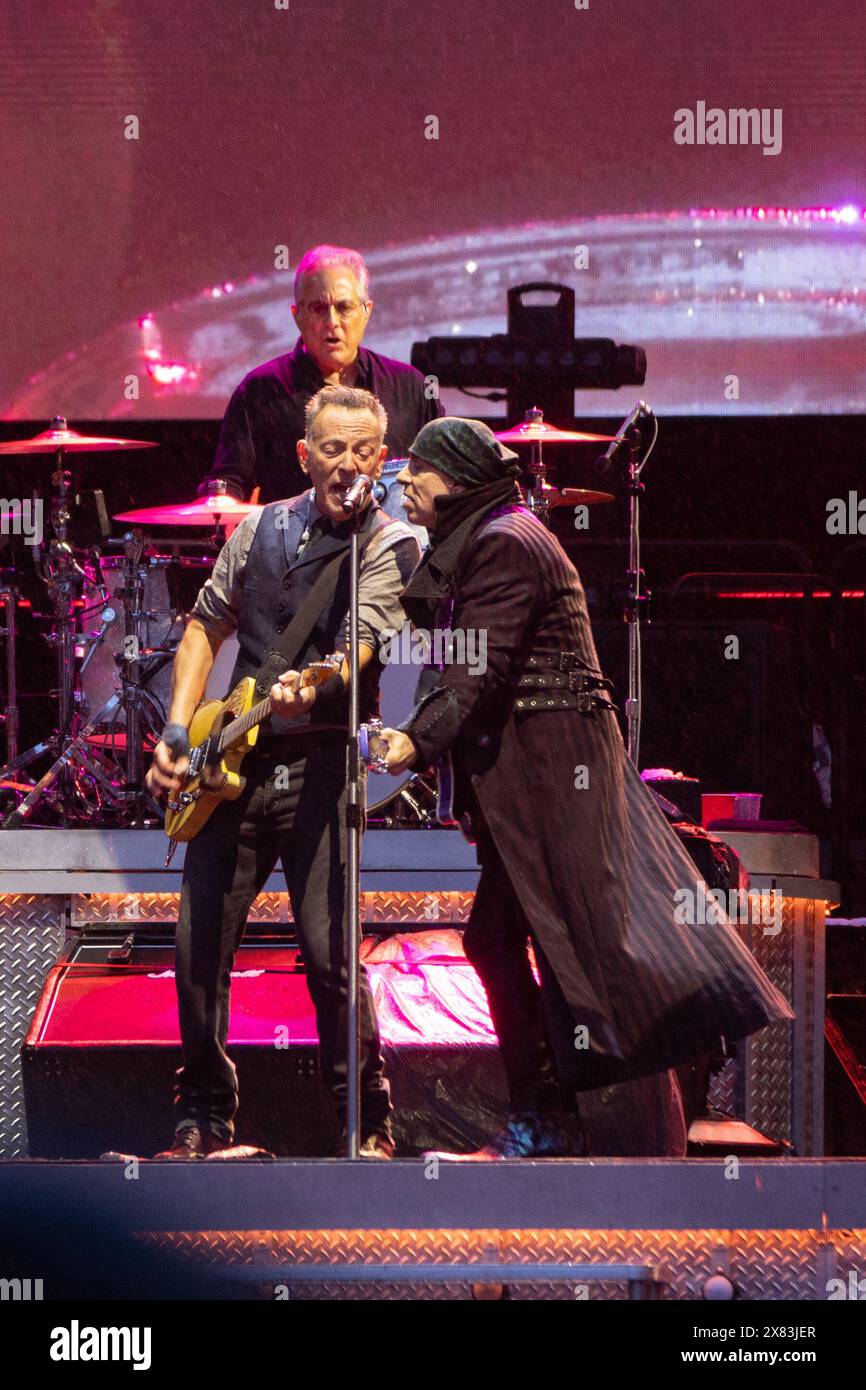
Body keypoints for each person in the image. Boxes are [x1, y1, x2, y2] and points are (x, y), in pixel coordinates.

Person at [376, 416, 793, 1160]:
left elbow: (480, 668)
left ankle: (555, 1116)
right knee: (521, 940)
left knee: (552, 943)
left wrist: (413, 741)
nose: (404, 481)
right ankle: (549, 1117)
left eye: (420, 469)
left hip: (553, 771)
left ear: (460, 476)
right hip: (539, 771)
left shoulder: (506, 541)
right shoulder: (489, 535)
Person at [146, 385, 421, 1159]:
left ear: (381, 458)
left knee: (332, 958)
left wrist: (324, 679)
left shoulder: (391, 543)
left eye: (363, 452)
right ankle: (201, 1117)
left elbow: (363, 642)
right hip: (230, 766)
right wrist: (177, 728)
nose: (348, 466)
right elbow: (205, 623)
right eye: (332, 450)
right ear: (305, 456)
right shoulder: (260, 528)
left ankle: (364, 1121)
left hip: (320, 769)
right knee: (199, 950)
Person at [200, 244, 442, 503]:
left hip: (392, 542)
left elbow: (443, 471)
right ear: (297, 316)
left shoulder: (410, 387)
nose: (332, 322)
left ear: (366, 311)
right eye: (318, 308)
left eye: (344, 307)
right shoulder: (260, 391)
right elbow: (229, 484)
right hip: (294, 543)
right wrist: (221, 503)